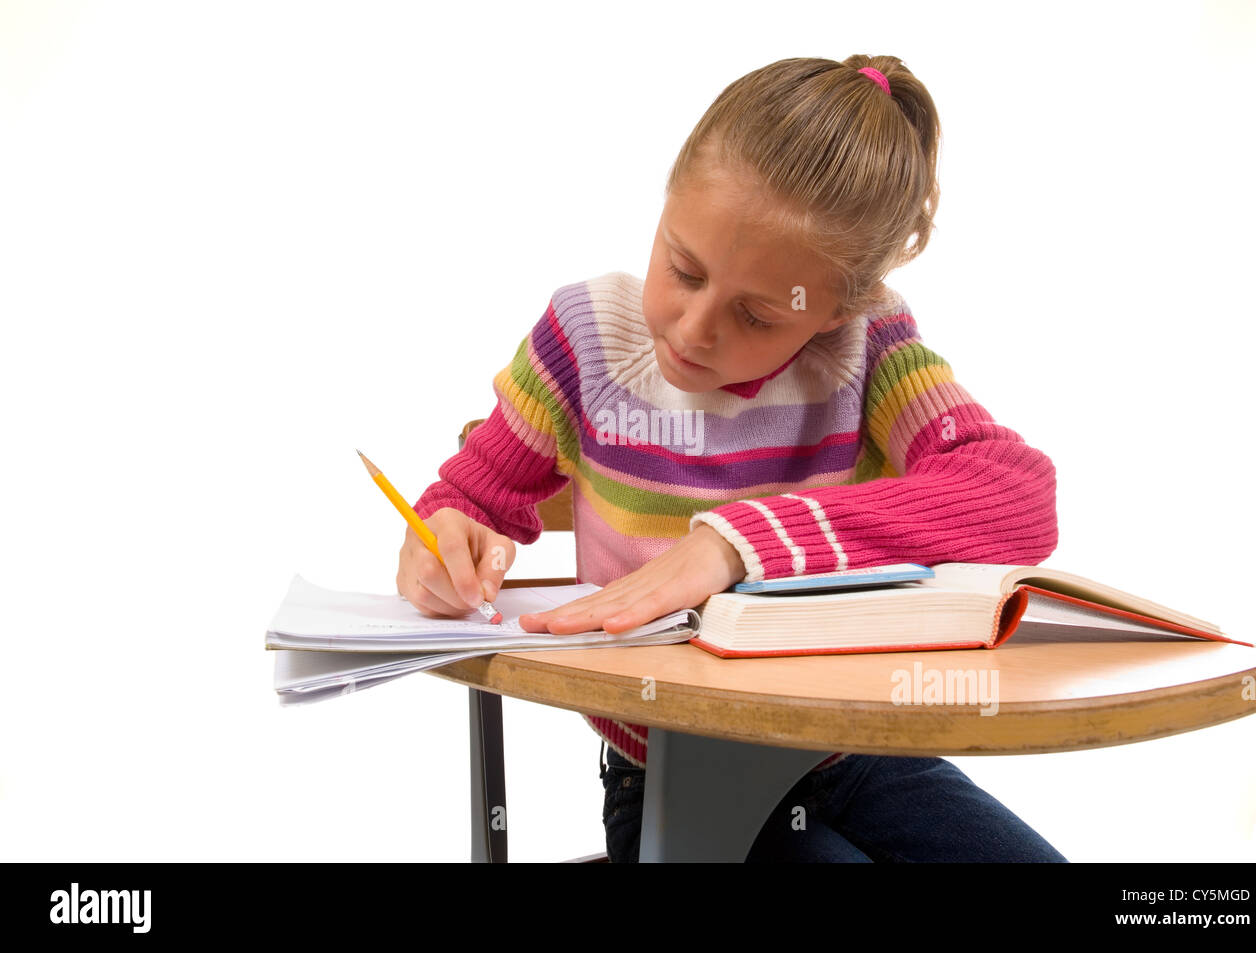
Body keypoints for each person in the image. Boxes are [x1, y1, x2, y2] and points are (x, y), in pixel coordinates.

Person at [396, 55, 1067, 863]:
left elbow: (1014, 493)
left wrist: (734, 543)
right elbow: (470, 497)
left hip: (853, 753)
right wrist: (443, 541)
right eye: (683, 268)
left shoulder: (868, 348)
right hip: (674, 770)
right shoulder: (588, 340)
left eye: (755, 314)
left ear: (835, 310)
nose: (695, 328)